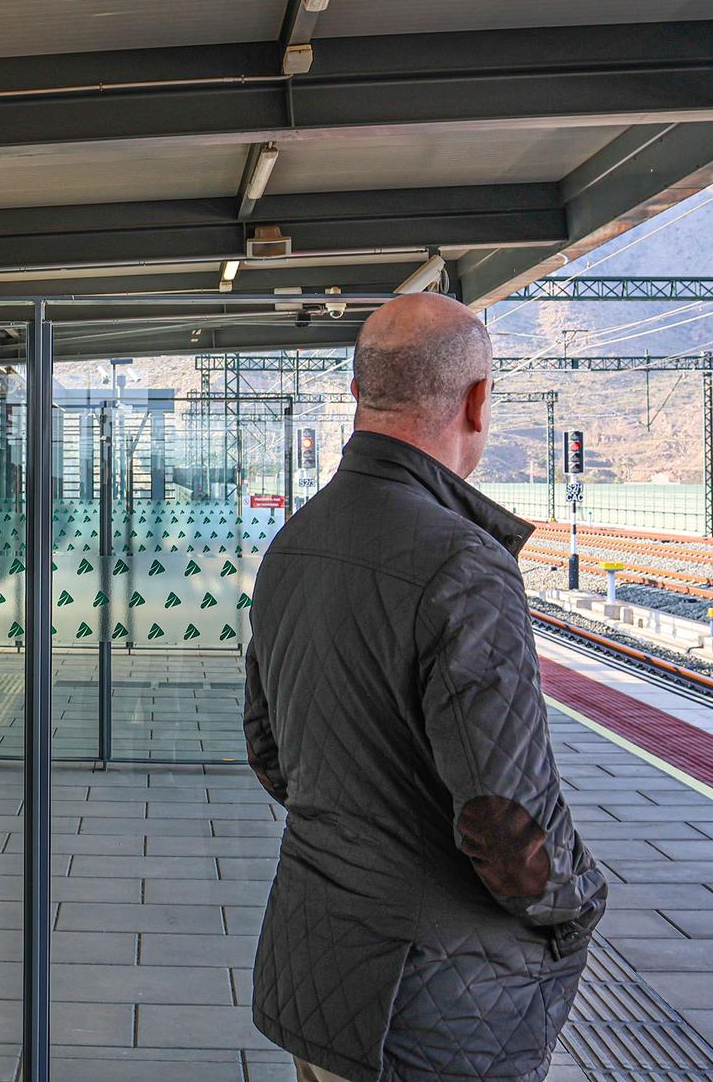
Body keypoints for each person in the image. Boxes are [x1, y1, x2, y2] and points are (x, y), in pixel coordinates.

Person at [244, 293, 606, 1082]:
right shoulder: (465, 564)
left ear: (358, 394)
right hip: (432, 1004)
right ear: (478, 402)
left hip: (319, 970)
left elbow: (269, 751)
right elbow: (503, 817)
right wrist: (576, 904)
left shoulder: (294, 543)